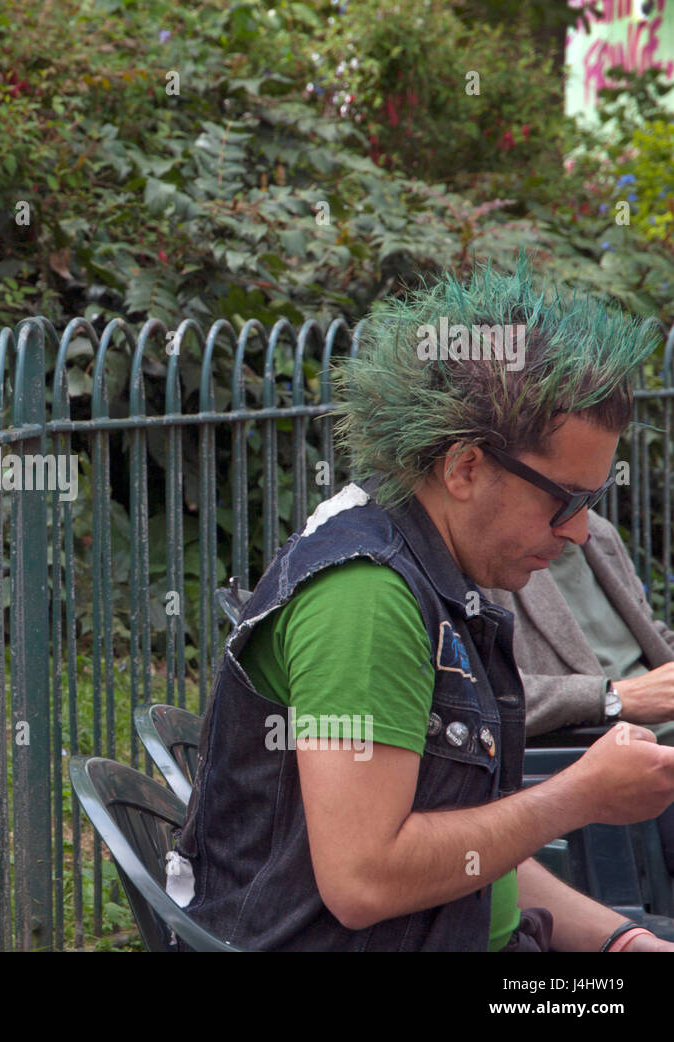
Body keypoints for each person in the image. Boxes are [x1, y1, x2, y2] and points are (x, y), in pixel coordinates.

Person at [175, 257, 674, 951]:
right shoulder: (367, 598)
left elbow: (467, 856)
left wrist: (620, 941)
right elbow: (366, 878)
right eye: (567, 499)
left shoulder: (429, 570)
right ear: (465, 467)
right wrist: (576, 796)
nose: (580, 531)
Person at [485, 509, 674, 742]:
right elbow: (483, 696)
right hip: (618, 749)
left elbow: (649, 632)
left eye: (590, 497)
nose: (581, 531)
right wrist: (611, 697)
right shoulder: (483, 551)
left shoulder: (598, 531)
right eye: (570, 494)